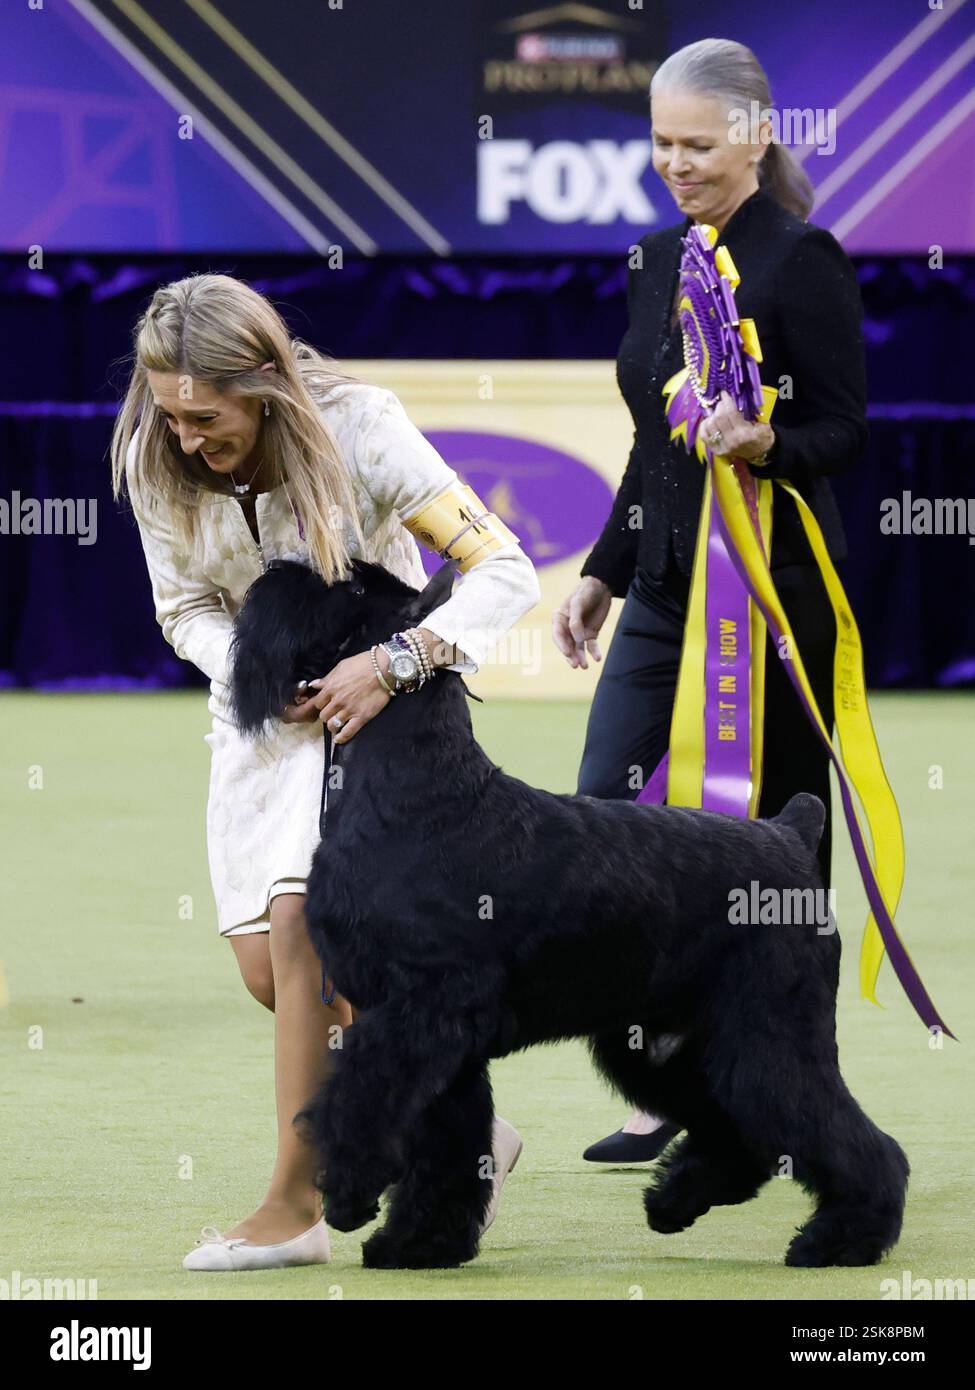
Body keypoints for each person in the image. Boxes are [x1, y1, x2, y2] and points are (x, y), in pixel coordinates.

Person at [111, 273, 540, 1268]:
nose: (183, 439)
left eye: (204, 417)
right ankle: (465, 1135)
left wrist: (390, 666)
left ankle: (293, 1206)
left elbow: (503, 568)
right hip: (261, 722)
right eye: (168, 415)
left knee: (307, 925)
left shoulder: (363, 426)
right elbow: (184, 611)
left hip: (384, 718)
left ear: (263, 381)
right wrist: (256, 675)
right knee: (280, 978)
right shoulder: (151, 455)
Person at [552, 39, 868, 1163]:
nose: (676, 164)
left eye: (697, 143)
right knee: (607, 822)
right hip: (663, 598)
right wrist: (601, 568)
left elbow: (846, 430)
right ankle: (667, 1083)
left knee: (771, 869)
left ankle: (789, 1104)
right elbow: (656, 445)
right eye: (661, 143)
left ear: (756, 135)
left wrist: (769, 438)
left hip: (775, 605)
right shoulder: (653, 261)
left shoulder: (804, 259)